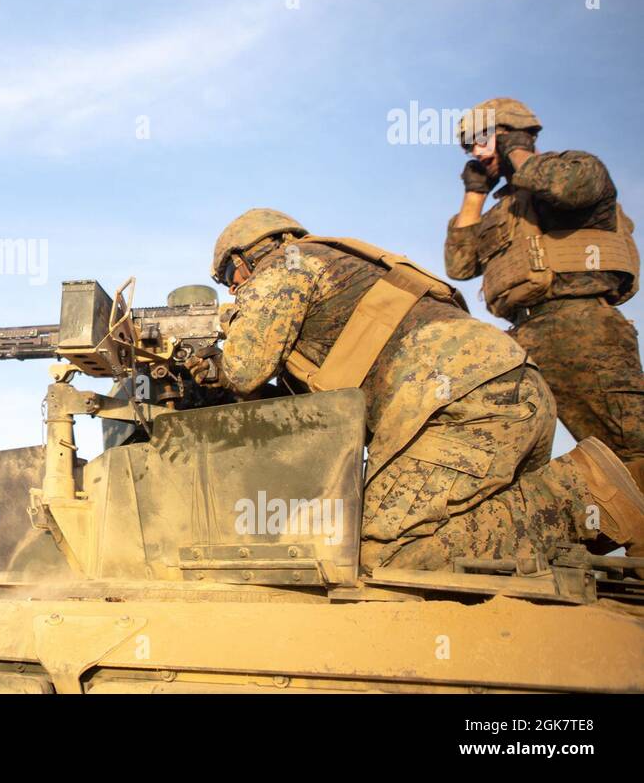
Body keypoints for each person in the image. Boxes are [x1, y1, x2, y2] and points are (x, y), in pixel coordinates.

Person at [188, 208, 644, 570]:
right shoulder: (340, 271)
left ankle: (581, 496)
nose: (233, 291)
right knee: (464, 529)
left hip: (464, 409)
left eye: (230, 280)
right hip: (507, 391)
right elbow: (319, 416)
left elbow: (244, 369)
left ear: (244, 259)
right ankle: (577, 514)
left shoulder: (285, 266)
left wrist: (214, 359)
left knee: (378, 554)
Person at [445, 97, 644, 492]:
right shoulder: (503, 209)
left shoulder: (577, 170)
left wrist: (517, 152)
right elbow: (460, 265)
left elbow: (568, 190)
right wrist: (475, 194)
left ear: (511, 133)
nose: (476, 153)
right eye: (468, 147)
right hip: (520, 336)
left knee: (626, 448)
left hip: (583, 326)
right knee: (504, 451)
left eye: (482, 140)